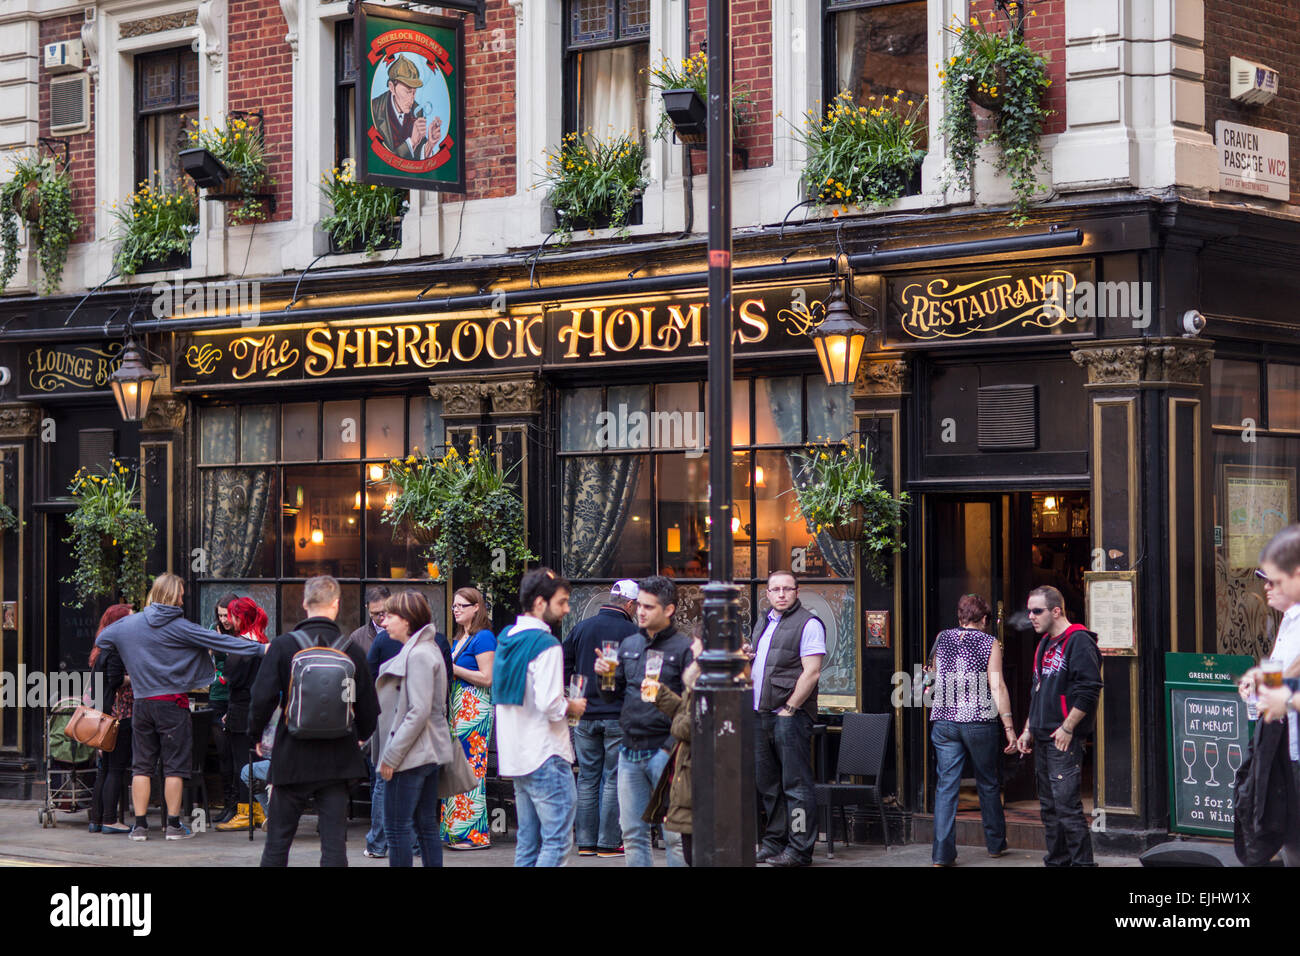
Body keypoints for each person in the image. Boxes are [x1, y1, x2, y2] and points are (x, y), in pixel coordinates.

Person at [93, 573, 265, 842]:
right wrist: (261, 650)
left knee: (141, 767)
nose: (184, 599)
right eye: (182, 595)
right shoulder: (181, 627)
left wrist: (136, 652)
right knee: (174, 767)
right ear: (173, 597)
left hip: (141, 704)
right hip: (172, 705)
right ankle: (173, 826)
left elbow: (104, 640)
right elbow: (222, 642)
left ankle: (139, 828)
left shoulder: (131, 624)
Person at [249, 575, 380, 867]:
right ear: (336, 604)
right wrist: (358, 735)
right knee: (334, 845)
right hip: (338, 760)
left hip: (291, 758)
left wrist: (256, 735)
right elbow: (370, 708)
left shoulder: (283, 646)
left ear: (305, 603)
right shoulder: (351, 650)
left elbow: (261, 698)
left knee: (278, 843)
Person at [594, 574, 694, 868]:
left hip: (667, 752)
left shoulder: (683, 648)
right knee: (633, 832)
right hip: (629, 750)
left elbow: (690, 709)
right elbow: (612, 698)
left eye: (649, 607)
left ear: (669, 610)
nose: (640, 611)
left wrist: (668, 748)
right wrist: (606, 677)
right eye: (639, 605)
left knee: (674, 834)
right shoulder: (628, 644)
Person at [493, 567, 585, 866]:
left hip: (516, 756)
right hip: (546, 754)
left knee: (527, 844)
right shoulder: (546, 645)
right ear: (540, 603)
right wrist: (573, 706)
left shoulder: (507, 638)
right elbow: (550, 704)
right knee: (557, 842)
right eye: (562, 602)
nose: (567, 608)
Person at [741, 569, 825, 867]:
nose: (780, 594)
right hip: (759, 713)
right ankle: (773, 842)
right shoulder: (764, 620)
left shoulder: (809, 623)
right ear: (767, 593)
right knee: (768, 783)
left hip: (789, 716)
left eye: (786, 589)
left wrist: (790, 708)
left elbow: (811, 672)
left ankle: (799, 850)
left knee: (796, 785)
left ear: (796, 592)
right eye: (775, 589)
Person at [1015, 585, 1103, 867]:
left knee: (1067, 809)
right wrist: (1028, 728)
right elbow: (1037, 690)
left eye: (1037, 611)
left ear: (1056, 611)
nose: (1031, 616)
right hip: (1042, 735)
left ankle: (1082, 864)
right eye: (1029, 611)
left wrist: (1067, 728)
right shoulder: (1043, 644)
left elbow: (1089, 690)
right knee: (1050, 810)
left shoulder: (1079, 640)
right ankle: (1057, 862)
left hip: (1062, 738)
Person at [927, 593, 1017, 866]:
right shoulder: (989, 642)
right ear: (985, 619)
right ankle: (995, 844)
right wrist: (1010, 727)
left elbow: (930, 676)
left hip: (943, 721)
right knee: (987, 782)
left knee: (946, 786)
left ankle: (942, 854)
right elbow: (996, 686)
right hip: (978, 720)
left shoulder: (942, 638)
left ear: (960, 616)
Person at [374, 590, 457, 868]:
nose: (384, 623)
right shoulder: (427, 649)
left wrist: (391, 757)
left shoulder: (419, 654)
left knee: (397, 828)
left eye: (390, 616)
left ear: (407, 620)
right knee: (425, 826)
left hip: (412, 755)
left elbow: (418, 711)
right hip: (427, 753)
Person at [563, 579, 639, 857]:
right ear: (630, 604)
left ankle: (585, 842)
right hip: (617, 714)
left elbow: (564, 661)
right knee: (612, 777)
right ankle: (608, 842)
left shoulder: (582, 627)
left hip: (583, 715)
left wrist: (573, 691)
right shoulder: (632, 631)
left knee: (587, 777)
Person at [1244, 526, 1300, 865]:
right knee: (1291, 840)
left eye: (1274, 580)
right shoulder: (1289, 621)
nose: (1266, 587)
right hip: (1287, 746)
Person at [441, 586, 496, 850]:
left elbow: (488, 678)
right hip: (458, 709)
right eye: (454, 606)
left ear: (477, 607)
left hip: (475, 710)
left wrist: (454, 668)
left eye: (462, 605)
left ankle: (473, 835)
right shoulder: (460, 638)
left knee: (471, 771)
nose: (456, 610)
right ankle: (455, 832)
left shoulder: (483, 637)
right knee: (456, 769)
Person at [645, 627, 704, 865]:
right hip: (688, 769)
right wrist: (662, 696)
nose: (692, 647)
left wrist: (677, 724)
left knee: (693, 848)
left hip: (694, 772)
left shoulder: (709, 680)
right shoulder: (697, 677)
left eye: (697, 642)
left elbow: (688, 726)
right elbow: (686, 713)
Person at [215, 597, 269, 832]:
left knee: (241, 763)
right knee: (255, 761)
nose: (228, 620)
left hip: (241, 710)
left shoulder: (240, 646)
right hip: (258, 710)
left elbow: (230, 680)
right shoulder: (262, 641)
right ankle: (258, 811)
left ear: (239, 618)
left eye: (231, 616)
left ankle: (245, 812)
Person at [87, 604, 134, 835]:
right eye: (130, 619)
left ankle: (96, 819)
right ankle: (110, 820)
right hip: (119, 715)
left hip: (103, 715)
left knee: (104, 768)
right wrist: (135, 675)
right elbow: (115, 680)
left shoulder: (101, 648)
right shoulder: (115, 648)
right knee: (115, 768)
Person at [369, 55, 444, 161]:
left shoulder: (417, 111)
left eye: (414, 92)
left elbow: (417, 159)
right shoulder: (375, 109)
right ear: (392, 87)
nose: (412, 99)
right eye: (408, 91)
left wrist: (430, 144)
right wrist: (412, 142)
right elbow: (384, 160)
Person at [210, 590, 241, 824]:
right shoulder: (213, 631)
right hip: (218, 696)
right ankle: (227, 802)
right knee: (223, 754)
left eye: (227, 615)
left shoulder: (243, 633)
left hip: (237, 698)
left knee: (236, 752)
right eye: (220, 615)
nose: (224, 620)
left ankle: (239, 805)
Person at [349, 585, 390, 658]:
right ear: (367, 608)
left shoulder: (402, 632)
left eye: (384, 612)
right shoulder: (357, 637)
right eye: (376, 613)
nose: (381, 617)